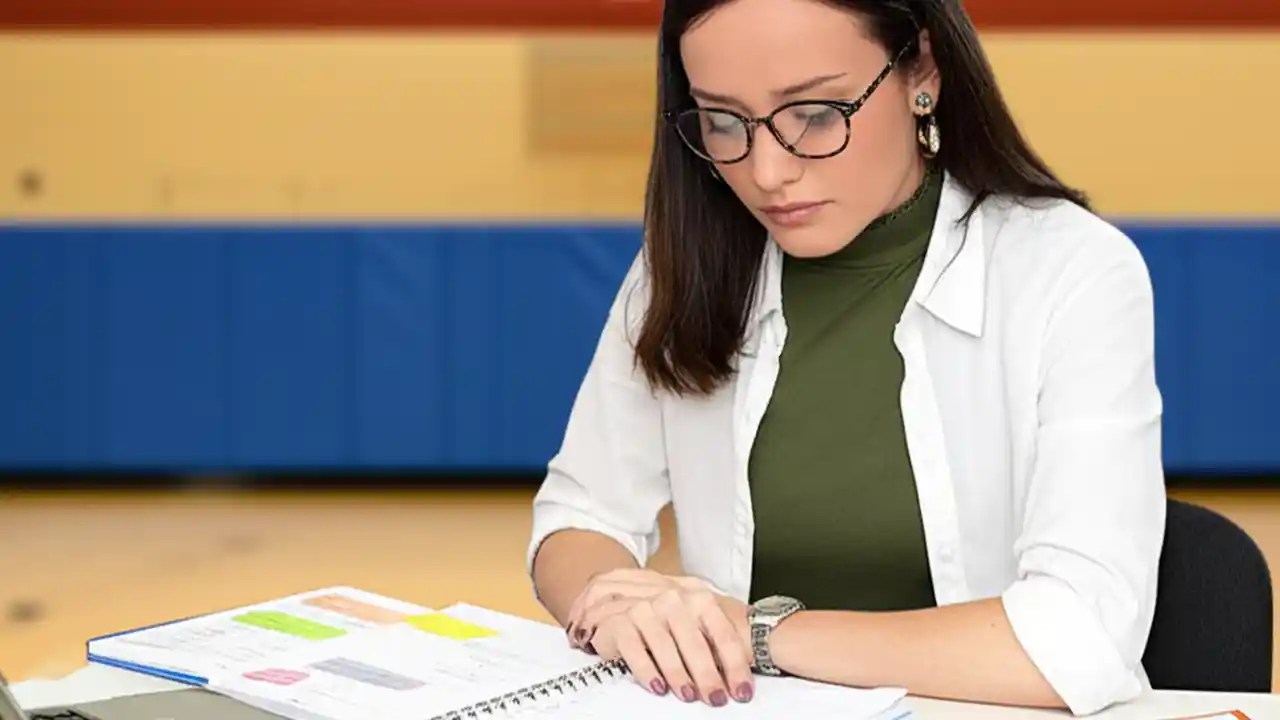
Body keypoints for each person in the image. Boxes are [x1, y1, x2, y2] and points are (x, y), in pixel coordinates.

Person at [526, 0, 1166, 716]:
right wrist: (620, 606)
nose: (767, 171)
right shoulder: (686, 267)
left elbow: (1078, 638)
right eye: (723, 121)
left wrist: (757, 634)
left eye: (815, 114)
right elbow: (580, 515)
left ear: (922, 73)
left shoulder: (1072, 270)